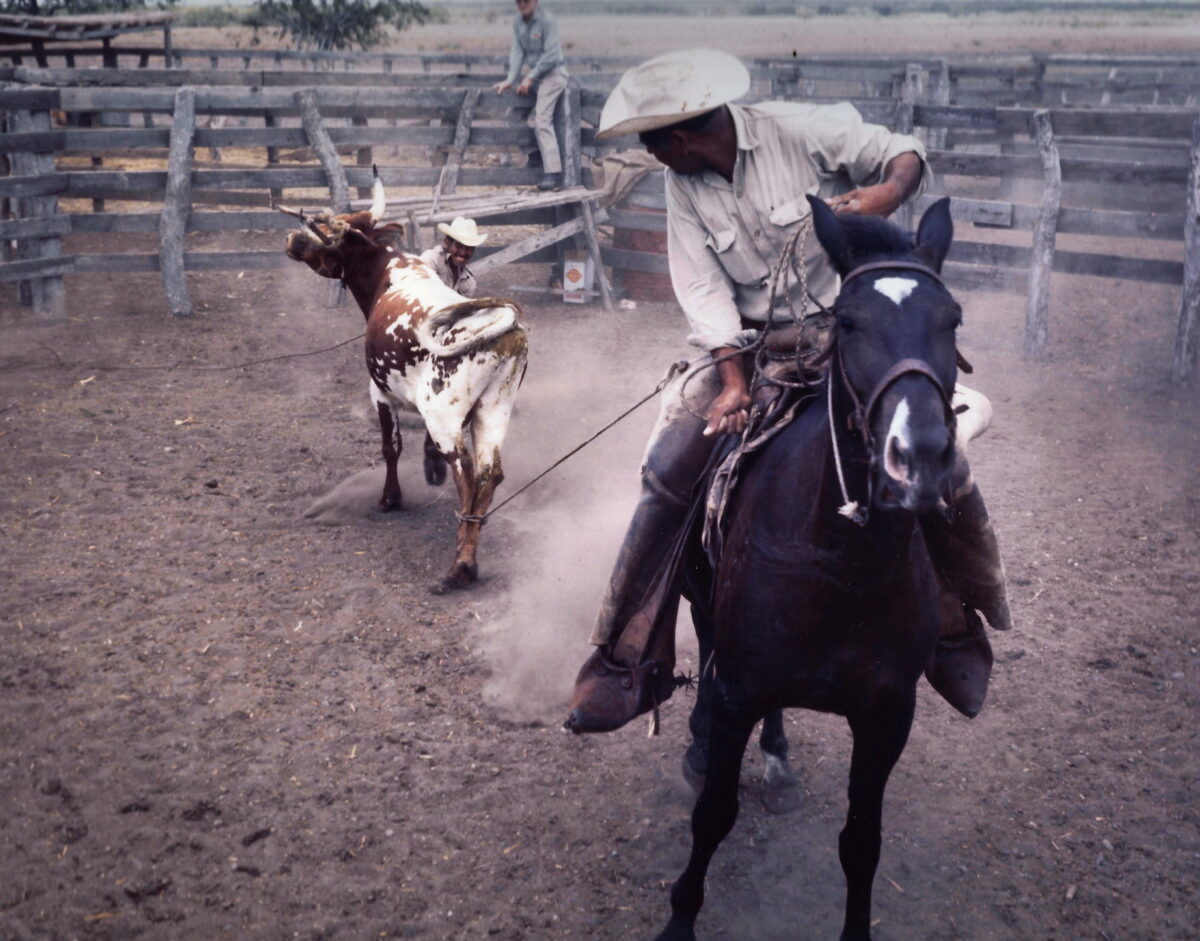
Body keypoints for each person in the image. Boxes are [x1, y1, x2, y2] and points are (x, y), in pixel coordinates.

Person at [567, 49, 1012, 733]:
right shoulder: (683, 187)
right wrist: (734, 384)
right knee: (667, 469)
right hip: (749, 349)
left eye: (655, 147)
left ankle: (955, 624)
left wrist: (887, 194)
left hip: (853, 333)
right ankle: (628, 653)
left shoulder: (798, 129)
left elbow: (900, 152)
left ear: (680, 139)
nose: (654, 159)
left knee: (937, 453)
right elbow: (704, 287)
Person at [491, 0, 569, 191]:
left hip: (552, 75)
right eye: (519, 1)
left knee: (542, 120)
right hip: (532, 77)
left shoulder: (548, 21)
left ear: (535, 1)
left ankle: (553, 173)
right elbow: (517, 52)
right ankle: (535, 154)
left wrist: (530, 77)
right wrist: (510, 79)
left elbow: (551, 55)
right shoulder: (518, 22)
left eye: (526, 1)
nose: (522, 4)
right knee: (513, 116)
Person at [419, 217, 486, 297]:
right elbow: (420, 293)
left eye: (469, 248)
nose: (463, 252)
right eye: (458, 246)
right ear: (448, 243)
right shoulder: (432, 259)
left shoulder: (469, 282)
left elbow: (462, 308)